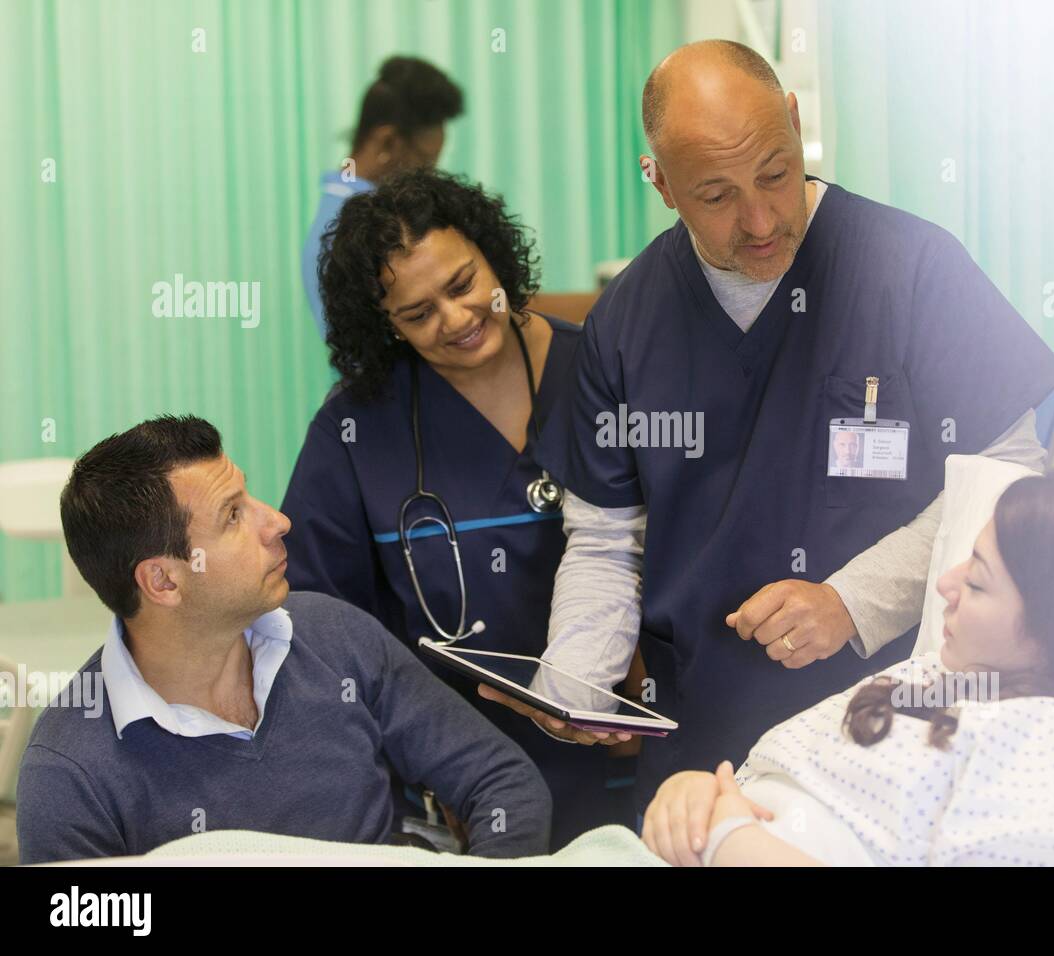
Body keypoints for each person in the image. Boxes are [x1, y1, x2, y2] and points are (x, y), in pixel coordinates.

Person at [485, 40, 1054, 815]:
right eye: (716, 195)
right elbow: (604, 537)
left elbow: (1008, 476)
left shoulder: (911, 268)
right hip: (703, 750)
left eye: (774, 172)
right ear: (657, 182)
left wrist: (853, 601)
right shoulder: (627, 320)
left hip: (892, 731)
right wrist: (578, 679)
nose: (760, 220)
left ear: (794, 125)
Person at [16, 416, 550, 863]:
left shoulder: (336, 637)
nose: (277, 521)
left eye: (248, 496)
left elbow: (505, 784)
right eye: (232, 515)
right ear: (163, 581)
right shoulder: (70, 774)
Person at [281, 170, 630, 848]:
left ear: (492, 252)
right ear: (383, 325)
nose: (456, 320)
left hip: (626, 756)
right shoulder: (357, 430)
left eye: (463, 283)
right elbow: (317, 621)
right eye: (417, 314)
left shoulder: (605, 372)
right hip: (461, 784)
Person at [642, 469, 1054, 866]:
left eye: (978, 583)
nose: (945, 586)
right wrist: (694, 797)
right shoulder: (935, 677)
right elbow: (764, 785)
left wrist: (732, 841)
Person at [302, 56, 464, 338]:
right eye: (425, 163)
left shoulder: (340, 210)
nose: (427, 178)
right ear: (387, 142)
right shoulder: (351, 229)